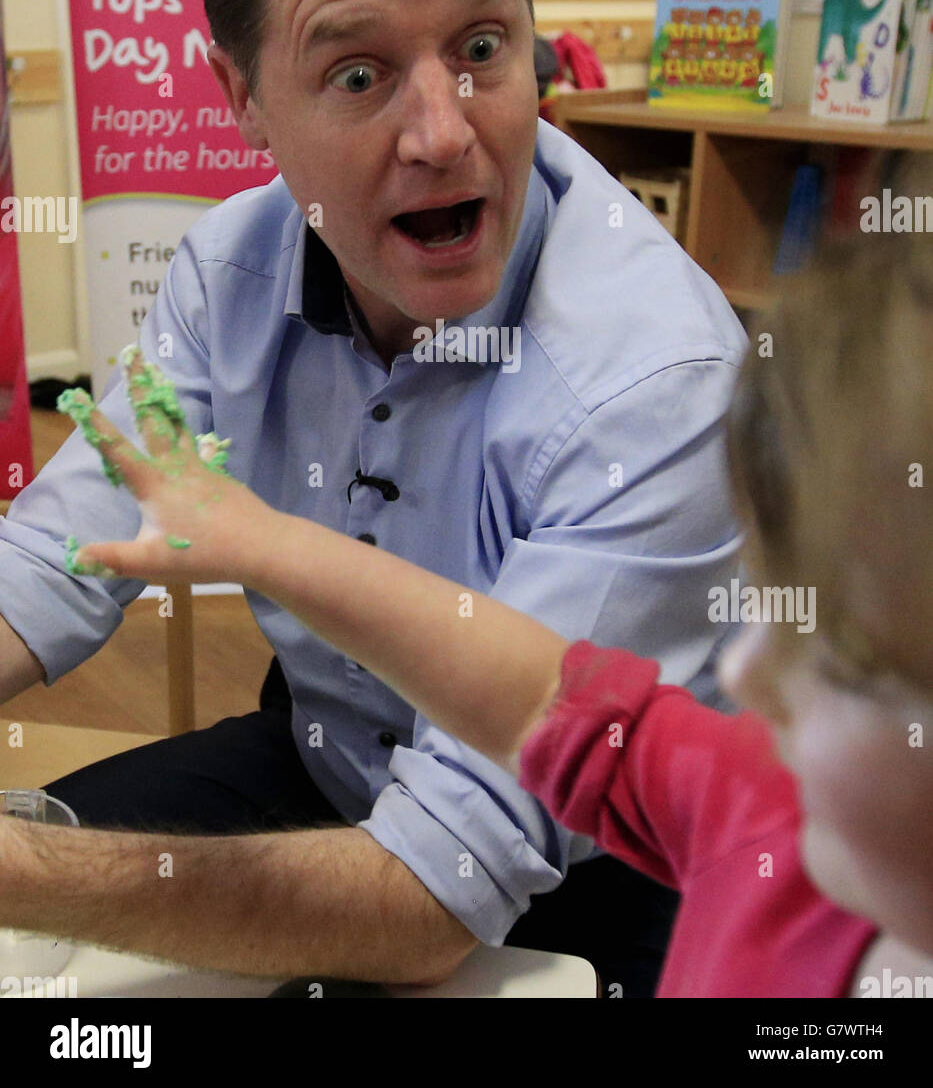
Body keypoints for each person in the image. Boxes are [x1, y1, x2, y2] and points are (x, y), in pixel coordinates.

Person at [0, 0, 746, 992]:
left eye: (483, 46)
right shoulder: (229, 280)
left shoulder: (653, 385)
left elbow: (432, 895)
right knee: (45, 964)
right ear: (243, 96)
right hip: (329, 754)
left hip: (605, 877)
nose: (446, 132)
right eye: (358, 72)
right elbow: (55, 561)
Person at [51, 227, 933, 995]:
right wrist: (262, 542)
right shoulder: (764, 798)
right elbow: (536, 696)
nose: (741, 676)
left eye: (848, 659)